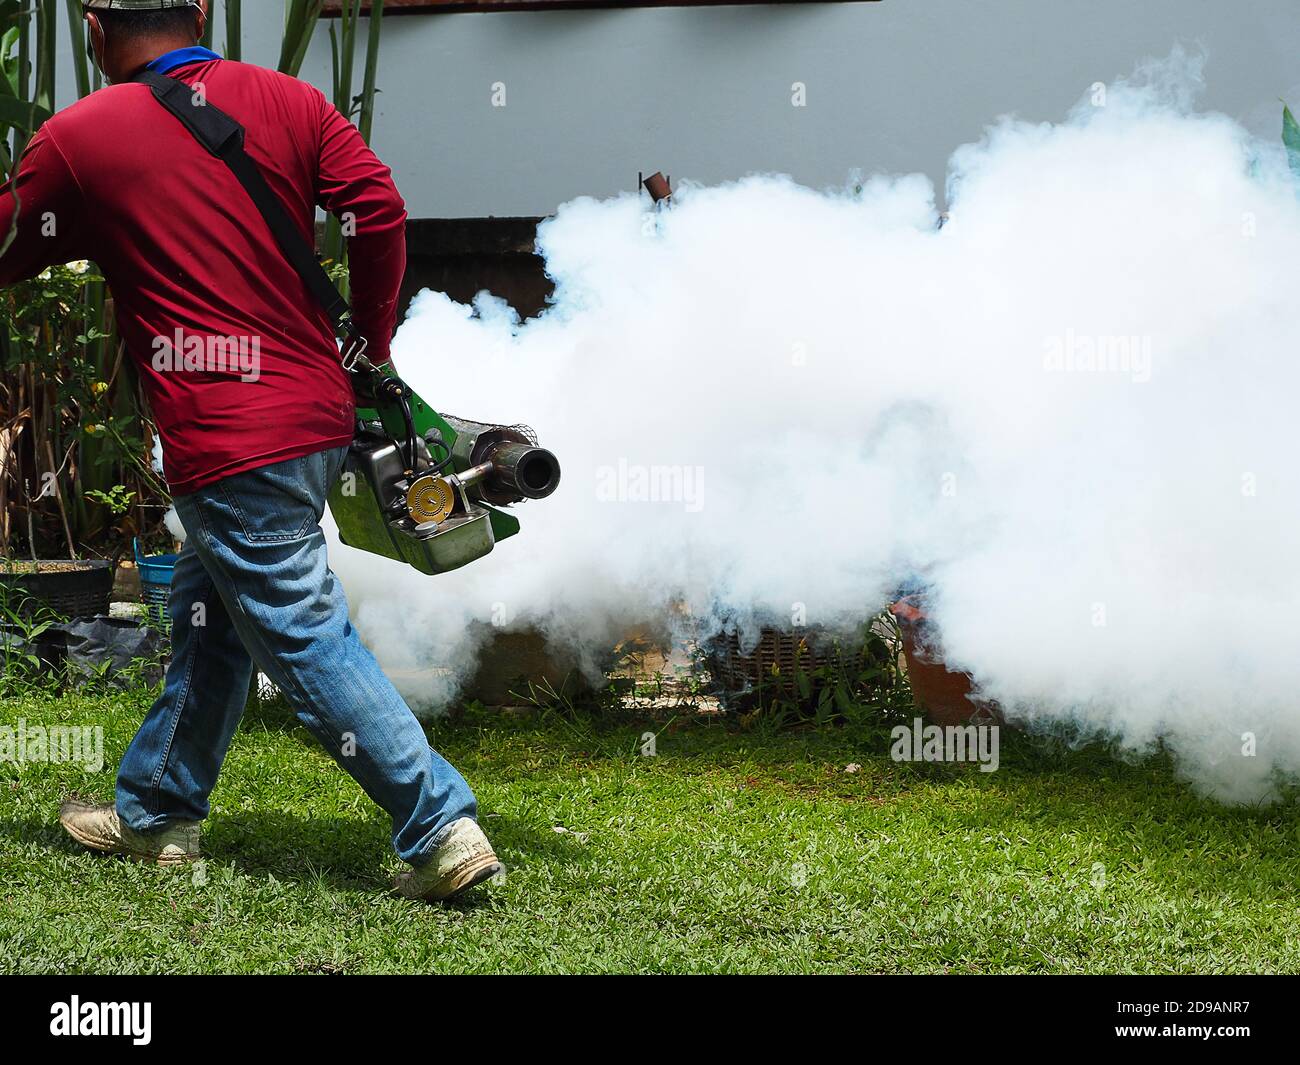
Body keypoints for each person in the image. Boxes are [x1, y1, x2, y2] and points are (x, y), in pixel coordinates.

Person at [0, 0, 502, 902]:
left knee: (301, 632)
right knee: (212, 613)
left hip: (226, 432)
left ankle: (439, 826)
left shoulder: (81, 134)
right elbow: (377, 206)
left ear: (91, 27)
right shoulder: (292, 101)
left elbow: (9, 240)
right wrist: (372, 344)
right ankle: (158, 811)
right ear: (197, 12)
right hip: (315, 413)